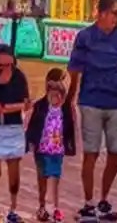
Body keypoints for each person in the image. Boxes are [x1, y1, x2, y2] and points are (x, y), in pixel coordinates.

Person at [68, 0, 117, 223]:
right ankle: (88, 203)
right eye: (114, 13)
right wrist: (70, 99)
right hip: (90, 101)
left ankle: (104, 199)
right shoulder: (85, 37)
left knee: (116, 152)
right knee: (91, 152)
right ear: (101, 13)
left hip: (116, 102)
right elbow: (75, 70)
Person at [0, 44, 31, 223]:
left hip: (13, 127)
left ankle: (13, 207)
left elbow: (26, 103)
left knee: (14, 172)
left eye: (7, 64)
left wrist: (5, 108)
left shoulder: (19, 78)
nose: (3, 68)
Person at [27, 68, 77, 223]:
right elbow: (33, 125)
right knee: (42, 177)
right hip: (42, 149)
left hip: (57, 150)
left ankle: (54, 206)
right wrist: (30, 141)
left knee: (54, 176)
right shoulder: (40, 105)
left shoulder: (67, 107)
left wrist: (70, 144)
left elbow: (70, 127)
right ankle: (43, 205)